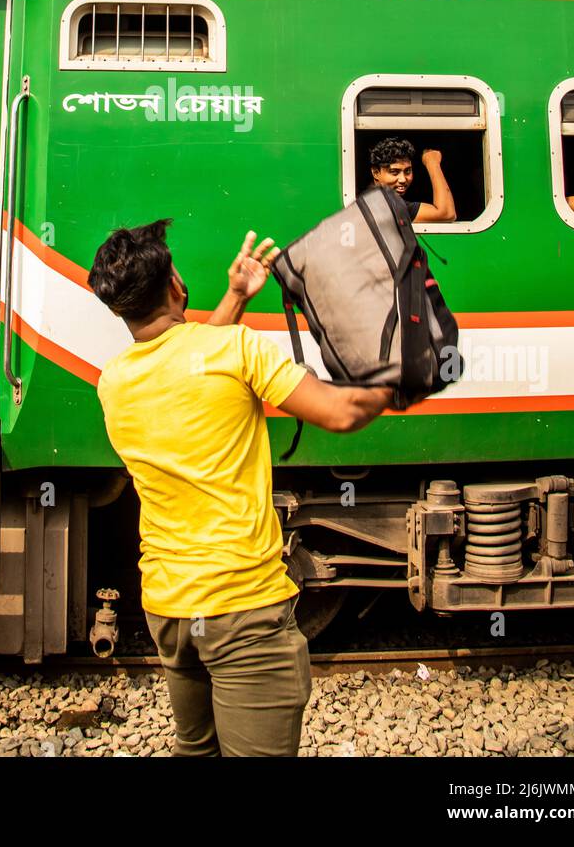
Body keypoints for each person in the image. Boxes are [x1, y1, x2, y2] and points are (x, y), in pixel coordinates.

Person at [88, 220, 393, 757]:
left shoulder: (113, 383)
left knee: (196, 751)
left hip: (170, 608)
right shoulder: (239, 351)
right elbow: (343, 412)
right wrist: (404, 371)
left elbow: (195, 359)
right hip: (242, 611)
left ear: (118, 308)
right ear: (177, 285)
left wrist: (234, 296)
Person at [368, 137, 456, 224]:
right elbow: (446, 213)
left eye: (407, 171)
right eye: (394, 172)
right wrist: (432, 162)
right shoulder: (386, 205)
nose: (403, 179)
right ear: (376, 173)